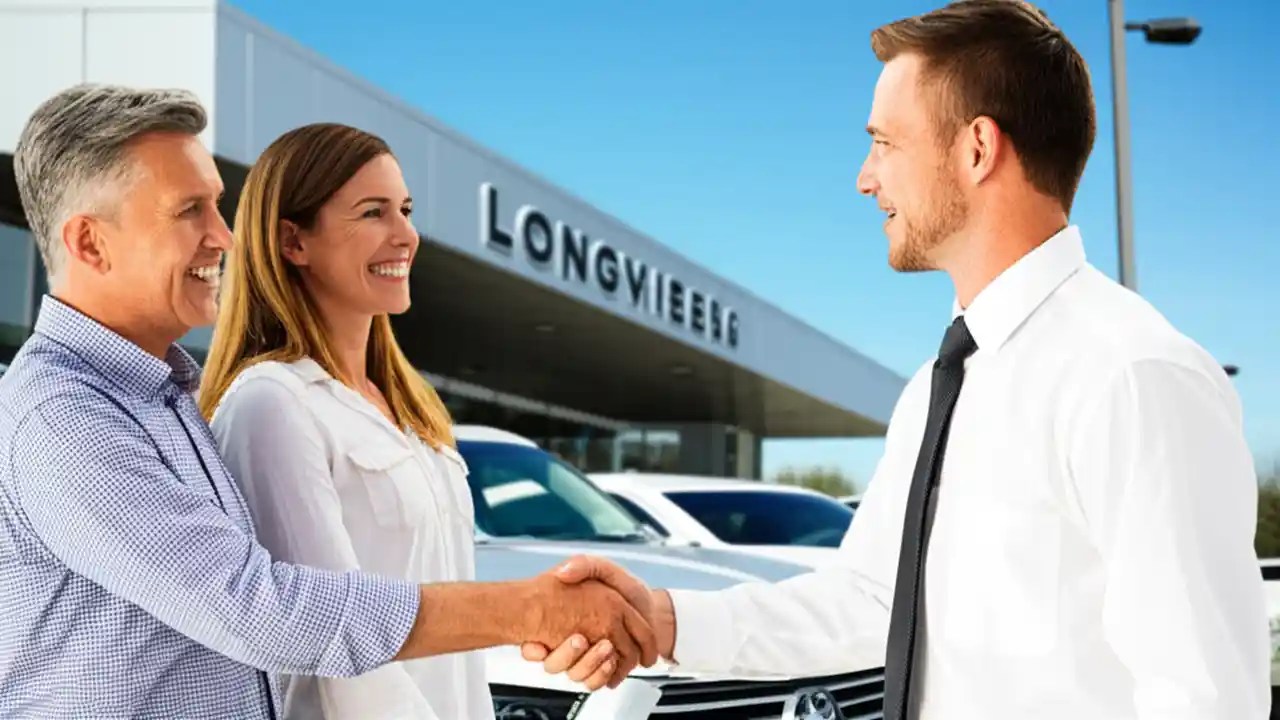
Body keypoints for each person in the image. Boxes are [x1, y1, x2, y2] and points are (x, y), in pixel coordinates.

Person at [523, 1, 1271, 718]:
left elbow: (1205, 699)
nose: (865, 176)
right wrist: (662, 619)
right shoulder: (939, 387)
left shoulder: (1131, 376)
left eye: (885, 142)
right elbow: (875, 598)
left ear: (977, 149)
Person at [0, 84, 654, 720]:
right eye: (189, 210)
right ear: (91, 243)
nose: (224, 237)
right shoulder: (63, 418)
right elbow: (261, 610)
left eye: (217, 206)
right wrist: (531, 609)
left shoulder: (161, 399)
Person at [195, 122, 617, 718]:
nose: (406, 236)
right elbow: (333, 640)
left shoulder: (411, 407)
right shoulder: (272, 404)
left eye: (406, 211)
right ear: (293, 241)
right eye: (373, 213)